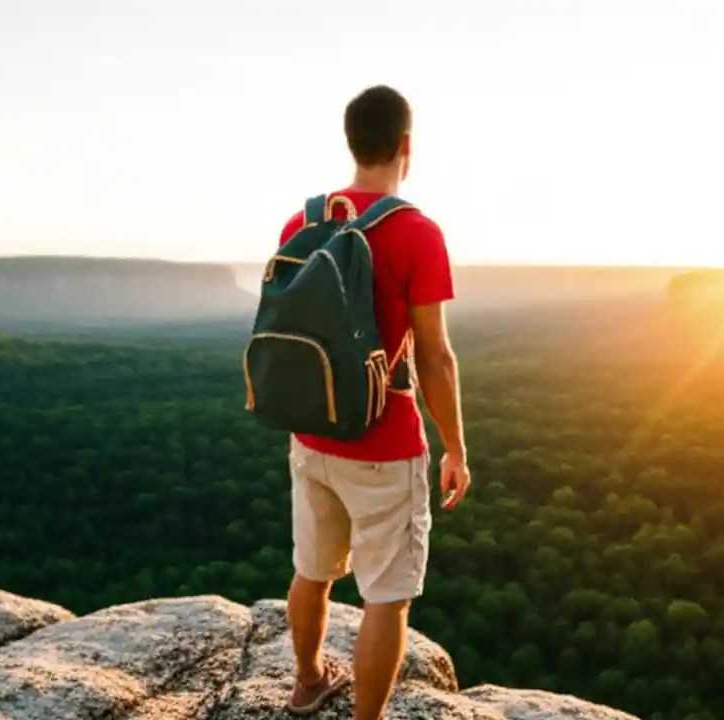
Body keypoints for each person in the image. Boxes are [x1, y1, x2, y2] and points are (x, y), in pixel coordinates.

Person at [278, 85, 471, 719]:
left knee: (313, 571)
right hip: (385, 445)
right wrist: (456, 447)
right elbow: (435, 357)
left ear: (352, 142)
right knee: (387, 597)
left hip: (311, 432)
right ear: (406, 148)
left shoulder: (302, 222)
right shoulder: (416, 232)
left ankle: (308, 682)